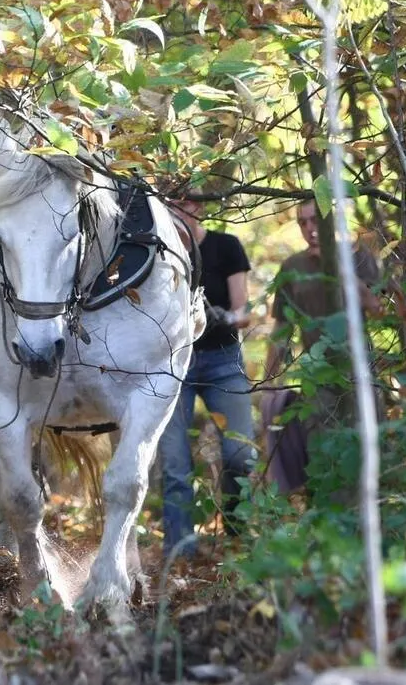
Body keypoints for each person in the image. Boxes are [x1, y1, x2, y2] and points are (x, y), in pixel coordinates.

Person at [261, 200, 383, 493]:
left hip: (360, 370)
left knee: (370, 445)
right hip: (317, 376)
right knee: (321, 452)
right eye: (302, 223)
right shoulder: (292, 267)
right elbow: (282, 329)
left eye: (315, 220)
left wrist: (337, 265)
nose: (309, 229)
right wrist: (267, 382)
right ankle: (327, 523)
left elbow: (377, 307)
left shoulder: (358, 257)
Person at [159, 193, 256, 558]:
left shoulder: (225, 246)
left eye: (187, 202)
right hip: (174, 365)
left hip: (222, 360)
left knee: (240, 454)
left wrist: (222, 317)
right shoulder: (159, 254)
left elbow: (242, 311)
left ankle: (237, 535)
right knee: (175, 464)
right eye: (172, 203)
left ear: (199, 206)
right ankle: (180, 554)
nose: (180, 210)